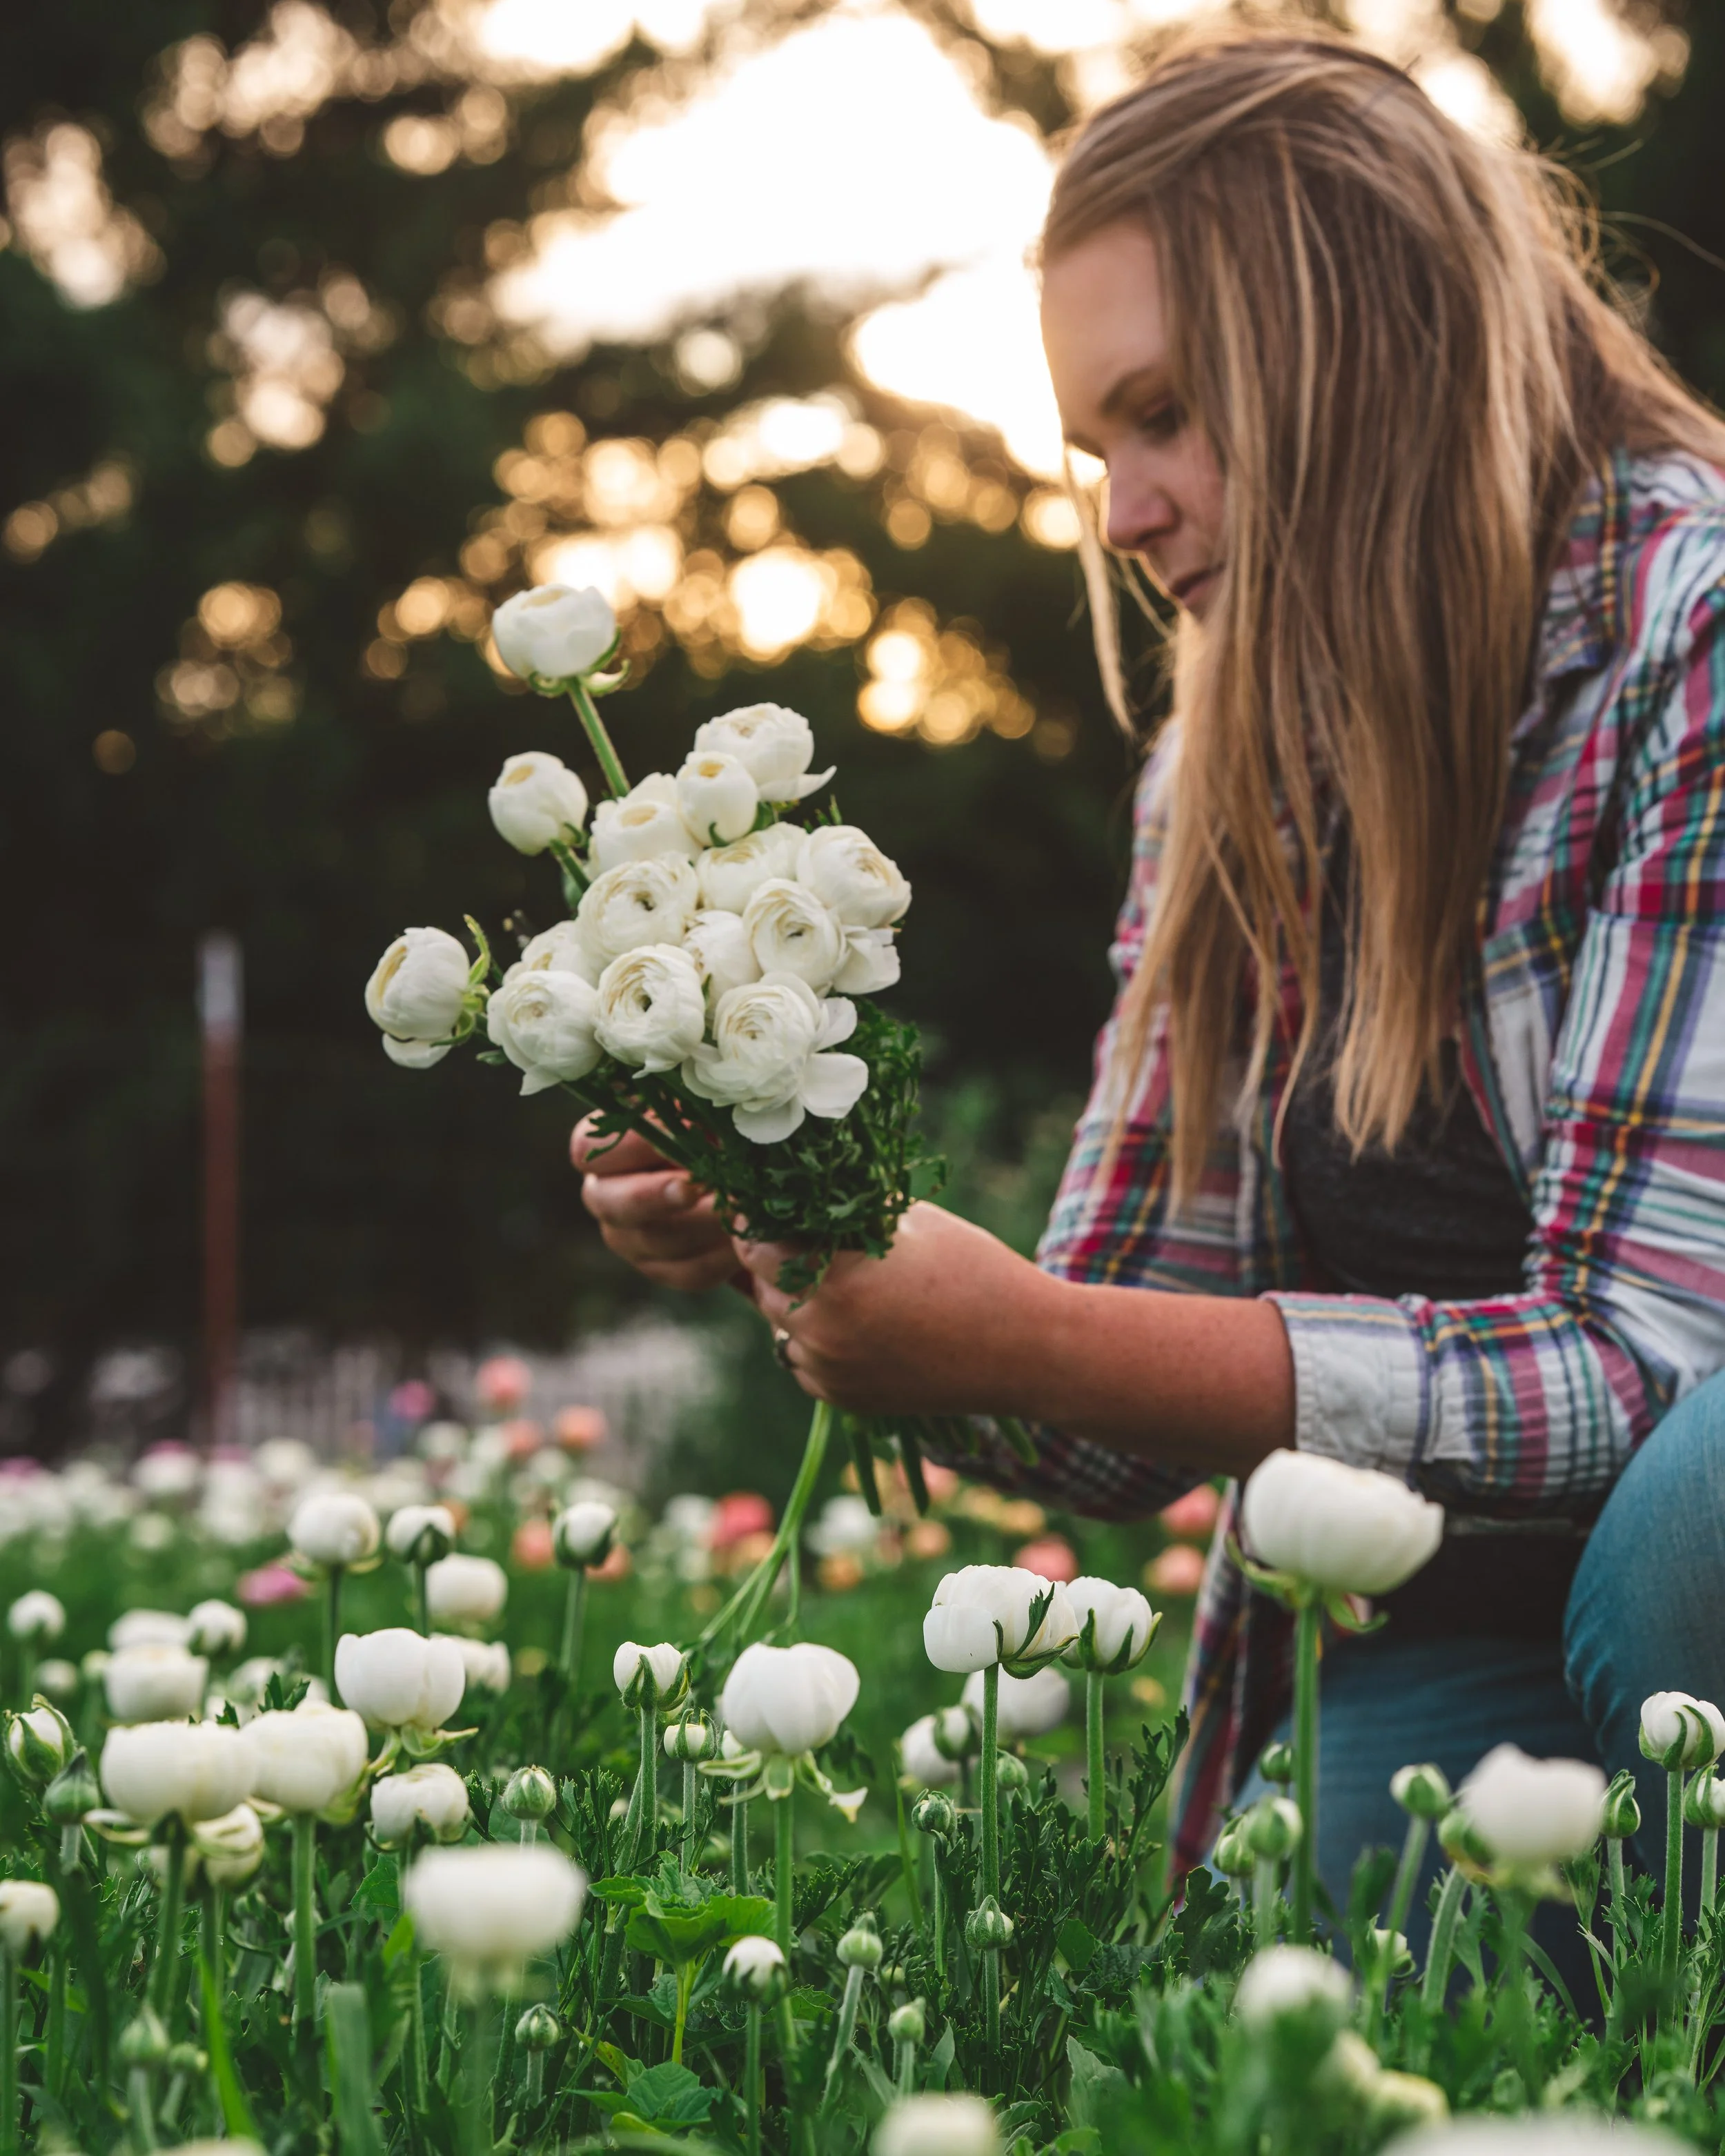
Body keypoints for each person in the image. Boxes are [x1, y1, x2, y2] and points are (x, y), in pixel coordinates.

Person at [573, 21, 1725, 1941]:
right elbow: (1113, 1378)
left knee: (1690, 1540)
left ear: (1366, 349)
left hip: (1677, 1562)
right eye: (1091, 450)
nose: (1120, 515)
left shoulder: (1690, 638)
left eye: (1167, 411)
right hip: (1453, 1626)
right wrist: (803, 1221)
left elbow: (1642, 1364)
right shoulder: (1225, 760)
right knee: (1327, 1939)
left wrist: (1029, 1334)